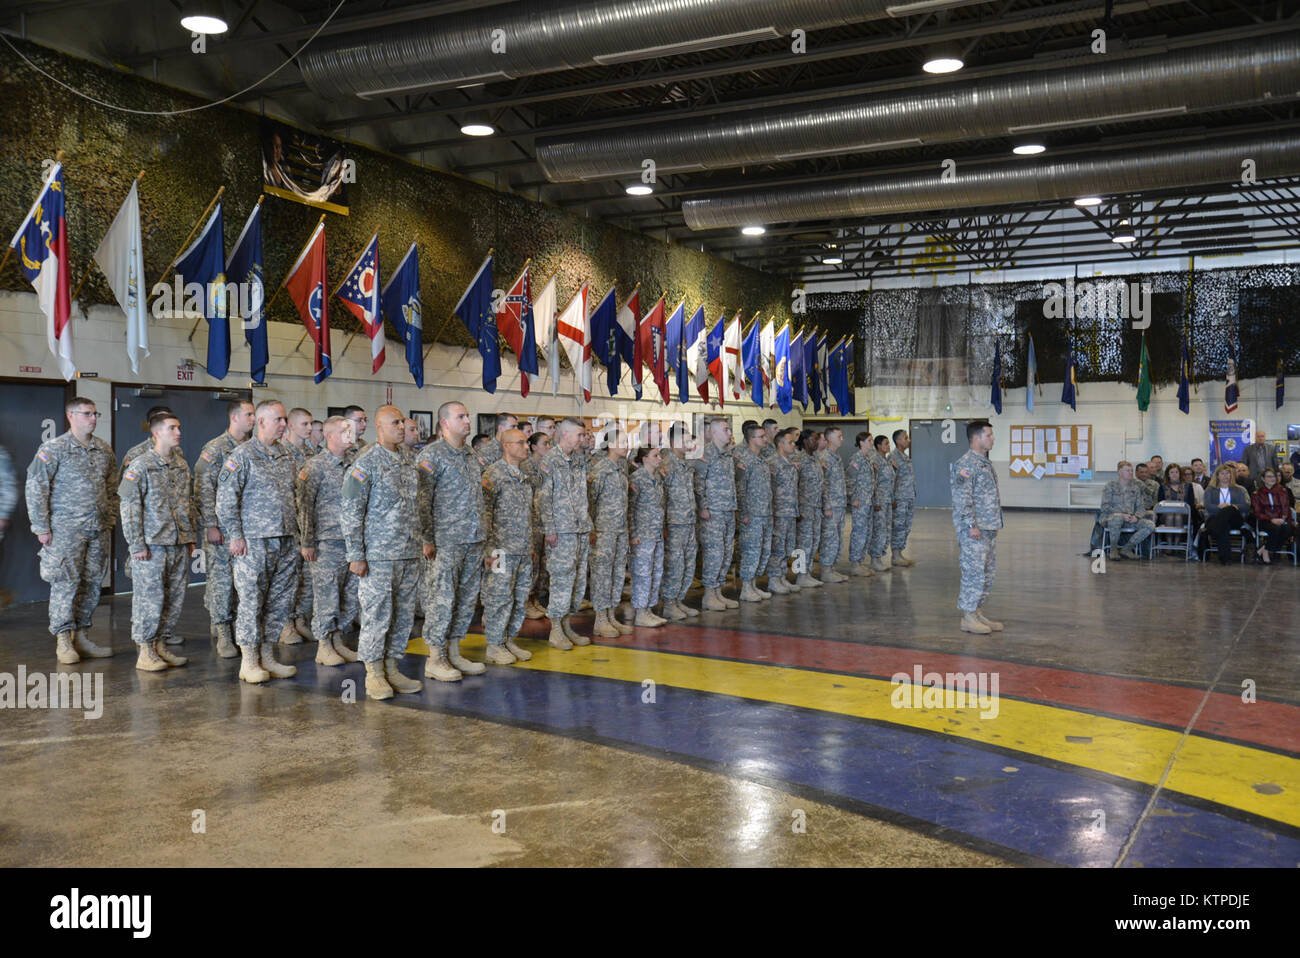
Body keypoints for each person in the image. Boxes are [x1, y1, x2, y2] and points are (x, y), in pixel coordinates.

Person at [25, 396, 117, 663]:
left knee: (91, 583)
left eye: (95, 414)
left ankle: (82, 636)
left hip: (97, 529)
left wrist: (109, 518)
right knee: (66, 583)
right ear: (71, 416)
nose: (93, 419)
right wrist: (41, 526)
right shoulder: (54, 448)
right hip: (65, 530)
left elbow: (112, 488)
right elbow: (36, 488)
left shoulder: (103, 449)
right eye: (87, 414)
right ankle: (63, 640)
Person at [341, 405, 424, 699]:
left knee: (402, 616)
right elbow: (351, 512)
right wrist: (356, 555)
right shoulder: (366, 464)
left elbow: (416, 509)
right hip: (378, 556)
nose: (401, 427)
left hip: (408, 552)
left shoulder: (409, 461)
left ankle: (391, 667)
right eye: (395, 423)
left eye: (402, 422)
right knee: (376, 615)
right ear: (379, 427)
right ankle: (374, 673)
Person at [216, 400, 301, 684]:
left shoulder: (287, 454)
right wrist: (235, 535)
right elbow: (226, 501)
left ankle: (267, 655)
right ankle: (249, 661)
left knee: (278, 603)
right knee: (251, 601)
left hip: (286, 539)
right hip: (253, 542)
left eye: (285, 419)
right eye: (278, 419)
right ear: (261, 422)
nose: (283, 424)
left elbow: (295, 496)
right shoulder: (241, 456)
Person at [118, 413, 196, 671]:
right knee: (149, 600)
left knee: (174, 599)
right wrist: (136, 544)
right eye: (172, 428)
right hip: (151, 546)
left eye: (179, 427)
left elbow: (188, 503)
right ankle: (145, 652)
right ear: (157, 433)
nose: (178, 432)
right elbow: (128, 507)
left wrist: (190, 536)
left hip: (178, 543)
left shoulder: (181, 465)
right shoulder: (139, 466)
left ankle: (161, 646)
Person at [417, 401, 488, 681]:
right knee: (442, 600)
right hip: (445, 541)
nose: (468, 421)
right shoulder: (431, 455)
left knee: (465, 599)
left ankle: (454, 651)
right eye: (461, 417)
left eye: (468, 416)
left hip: (472, 538)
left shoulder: (471, 454)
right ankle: (435, 658)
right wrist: (427, 538)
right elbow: (422, 501)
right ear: (445, 423)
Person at [297, 416, 361, 667]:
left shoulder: (354, 465)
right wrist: (307, 541)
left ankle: (337, 641)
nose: (350, 435)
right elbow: (304, 506)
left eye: (351, 431)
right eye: (345, 431)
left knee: (349, 595)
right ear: (330, 435)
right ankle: (324, 645)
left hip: (351, 541)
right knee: (327, 595)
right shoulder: (314, 467)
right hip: (326, 542)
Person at [196, 400, 255, 658]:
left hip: (248, 528)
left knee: (244, 584)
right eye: (249, 414)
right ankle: (223, 633)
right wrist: (210, 524)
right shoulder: (216, 448)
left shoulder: (253, 447)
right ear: (234, 418)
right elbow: (204, 488)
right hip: (222, 528)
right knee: (221, 582)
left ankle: (239, 629)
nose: (254, 419)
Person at [480, 428, 536, 663]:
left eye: (527, 443)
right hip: (501, 549)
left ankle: (509, 640)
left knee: (519, 597)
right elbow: (485, 514)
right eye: (521, 443)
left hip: (522, 547)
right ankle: (494, 644)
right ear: (506, 445)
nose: (527, 447)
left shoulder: (523, 475)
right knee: (499, 597)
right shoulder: (493, 475)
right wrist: (489, 550)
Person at [537, 418, 594, 648]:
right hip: (561, 531)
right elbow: (544, 498)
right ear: (566, 434)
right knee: (562, 578)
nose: (583, 439)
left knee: (578, 581)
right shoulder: (551, 460)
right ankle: (556, 630)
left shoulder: (578, 459)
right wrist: (550, 529)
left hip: (580, 528)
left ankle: (567, 624)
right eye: (579, 435)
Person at [950, 420, 1003, 635]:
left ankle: (977, 612)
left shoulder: (984, 462)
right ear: (976, 438)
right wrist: (971, 524)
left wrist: (992, 524)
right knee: (974, 573)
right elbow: (962, 498)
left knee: (987, 573)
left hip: (987, 528)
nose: (992, 439)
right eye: (988, 435)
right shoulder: (966, 464)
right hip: (974, 529)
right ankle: (968, 617)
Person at [588, 429, 633, 637]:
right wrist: (593, 529)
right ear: (612, 444)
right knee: (602, 575)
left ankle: (611, 615)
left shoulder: (621, 467)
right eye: (623, 442)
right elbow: (591, 501)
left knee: (616, 574)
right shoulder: (600, 469)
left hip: (620, 529)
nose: (627, 445)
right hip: (604, 530)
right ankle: (600, 619)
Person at [279, 407, 317, 644]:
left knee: (307, 579)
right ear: (291, 426)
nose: (310, 428)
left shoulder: (311, 455)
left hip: (308, 526)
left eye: (311, 424)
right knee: (288, 579)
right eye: (304, 424)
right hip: (289, 527)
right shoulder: (282, 454)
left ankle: (301, 618)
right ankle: (285, 624)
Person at [695, 416, 739, 610]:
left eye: (729, 430)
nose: (729, 433)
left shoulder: (728, 455)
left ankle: (718, 592)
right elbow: (698, 482)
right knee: (714, 553)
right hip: (712, 512)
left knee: (726, 553)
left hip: (728, 510)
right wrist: (703, 506)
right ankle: (709, 595)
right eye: (726, 430)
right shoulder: (706, 454)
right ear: (713, 433)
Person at [659, 424, 699, 619]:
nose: (690, 444)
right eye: (686, 440)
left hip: (689, 521)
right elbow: (661, 497)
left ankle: (679, 600)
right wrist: (664, 524)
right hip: (674, 522)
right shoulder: (667, 465)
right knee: (674, 564)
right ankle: (668, 603)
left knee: (688, 563)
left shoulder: (686, 464)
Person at [733, 421, 773, 602]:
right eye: (761, 437)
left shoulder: (762, 460)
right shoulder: (744, 460)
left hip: (765, 512)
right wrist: (743, 514)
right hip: (752, 514)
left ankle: (754, 585)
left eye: (765, 436)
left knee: (763, 551)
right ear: (751, 439)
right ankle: (746, 588)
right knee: (751, 550)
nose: (765, 439)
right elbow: (740, 489)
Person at [628, 446, 667, 626]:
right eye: (655, 456)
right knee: (642, 574)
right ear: (644, 459)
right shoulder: (637, 479)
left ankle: (649, 609)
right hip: (643, 534)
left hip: (656, 532)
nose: (659, 459)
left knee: (656, 572)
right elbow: (631, 508)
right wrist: (634, 533)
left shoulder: (657, 478)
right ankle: (640, 611)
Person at [766, 427, 802, 594]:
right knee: (777, 548)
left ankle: (782, 577)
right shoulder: (772, 463)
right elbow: (769, 490)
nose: (794, 444)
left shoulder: (790, 462)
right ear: (780, 444)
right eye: (790, 442)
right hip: (779, 512)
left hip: (790, 512)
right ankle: (773, 579)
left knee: (788, 547)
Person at [1099, 461, 1156, 560]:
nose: (1131, 473)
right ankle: (1113, 550)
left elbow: (1141, 507)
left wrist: (1137, 517)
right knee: (1117, 518)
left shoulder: (1135, 488)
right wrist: (1121, 514)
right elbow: (1105, 507)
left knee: (1150, 525)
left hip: (1130, 519)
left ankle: (1127, 549)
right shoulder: (1110, 486)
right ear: (1120, 472)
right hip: (1111, 519)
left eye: (1131, 471)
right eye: (1127, 470)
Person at [522, 432, 552, 619]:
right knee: (531, 564)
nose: (548, 447)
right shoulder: (526, 466)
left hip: (544, 521)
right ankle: (526, 601)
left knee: (542, 564)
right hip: (531, 522)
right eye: (545, 444)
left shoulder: (546, 466)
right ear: (534, 447)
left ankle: (536, 600)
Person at [791, 429, 823, 589]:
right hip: (804, 509)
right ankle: (800, 576)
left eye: (817, 439)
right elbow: (793, 486)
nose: (816, 442)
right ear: (805, 441)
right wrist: (796, 509)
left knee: (813, 541)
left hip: (816, 508)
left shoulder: (815, 459)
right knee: (803, 544)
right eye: (814, 439)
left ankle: (807, 573)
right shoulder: (798, 460)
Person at [1201, 463, 1252, 564]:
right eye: (1222, 473)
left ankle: (1211, 530)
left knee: (1229, 509)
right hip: (1215, 518)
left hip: (1235, 519)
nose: (1225, 476)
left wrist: (1232, 506)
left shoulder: (1240, 489)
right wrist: (1219, 507)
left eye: (1228, 473)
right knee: (1223, 526)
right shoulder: (1210, 489)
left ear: (1231, 475)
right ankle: (1225, 558)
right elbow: (1208, 506)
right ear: (1217, 476)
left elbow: (1246, 506)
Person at [846, 431, 876, 578]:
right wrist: (853, 498)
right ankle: (854, 564)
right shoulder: (856, 458)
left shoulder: (867, 459)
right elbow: (850, 478)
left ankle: (860, 561)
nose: (872, 443)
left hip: (868, 500)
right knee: (859, 532)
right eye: (869, 441)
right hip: (860, 501)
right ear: (861, 443)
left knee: (867, 531)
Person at [1251, 469, 1295, 564]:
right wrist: (1271, 519)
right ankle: (1266, 552)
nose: (1273, 479)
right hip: (1265, 520)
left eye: (1274, 476)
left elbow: (1286, 507)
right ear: (1263, 479)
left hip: (1282, 519)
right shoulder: (1257, 494)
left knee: (1289, 529)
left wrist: (1283, 518)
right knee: (1276, 529)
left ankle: (1264, 549)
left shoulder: (1283, 491)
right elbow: (1257, 512)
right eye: (1269, 476)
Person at [888, 429, 916, 568]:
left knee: (905, 527)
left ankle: (900, 554)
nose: (908, 440)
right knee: (898, 527)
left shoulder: (904, 457)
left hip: (908, 497)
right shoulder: (893, 458)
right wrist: (892, 499)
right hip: (899, 499)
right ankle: (895, 556)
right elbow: (890, 480)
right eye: (906, 438)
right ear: (898, 441)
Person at [870, 434, 895, 572]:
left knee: (886, 530)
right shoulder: (875, 460)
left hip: (887, 501)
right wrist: (876, 501)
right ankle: (875, 559)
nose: (888, 446)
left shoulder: (886, 460)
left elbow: (890, 482)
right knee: (879, 530)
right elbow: (873, 482)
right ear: (878, 445)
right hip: (879, 501)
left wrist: (892, 499)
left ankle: (879, 557)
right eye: (885, 443)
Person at [1157, 463, 1200, 534]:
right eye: (1172, 472)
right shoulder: (1162, 487)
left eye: (1177, 472)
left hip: (1184, 514)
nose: (1174, 474)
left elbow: (1191, 504)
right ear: (1168, 474)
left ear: (1180, 474)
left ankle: (1177, 543)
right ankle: (1170, 544)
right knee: (1170, 517)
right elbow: (1160, 503)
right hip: (1166, 514)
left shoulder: (1188, 486)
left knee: (1178, 517)